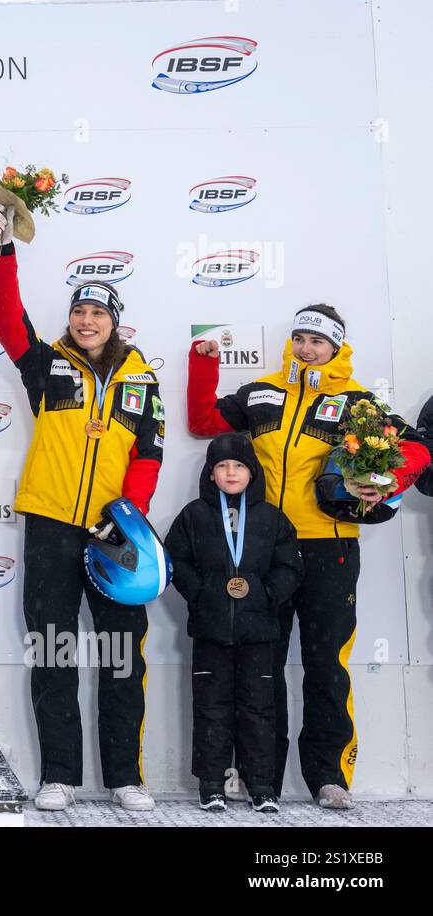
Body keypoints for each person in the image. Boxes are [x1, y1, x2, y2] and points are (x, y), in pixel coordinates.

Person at [188, 305, 429, 808]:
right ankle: (261, 779)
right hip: (263, 549)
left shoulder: (358, 403)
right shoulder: (261, 392)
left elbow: (417, 452)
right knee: (260, 666)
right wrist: (203, 365)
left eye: (318, 341)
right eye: (299, 338)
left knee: (326, 665)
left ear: (336, 348)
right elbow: (203, 421)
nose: (306, 348)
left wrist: (380, 483)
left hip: (331, 548)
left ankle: (328, 777)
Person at [0, 206, 165, 811]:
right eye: (79, 311)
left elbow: (148, 454)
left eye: (98, 313)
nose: (87, 321)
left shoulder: (142, 378)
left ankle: (126, 777)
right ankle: (57, 774)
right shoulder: (45, 363)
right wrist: (1, 248)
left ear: (115, 323)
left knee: (121, 653)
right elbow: (7, 317)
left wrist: (129, 514)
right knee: (55, 647)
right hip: (52, 524)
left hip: (116, 533)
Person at [164, 432, 303, 813]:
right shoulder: (193, 515)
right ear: (210, 473)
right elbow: (176, 561)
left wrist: (266, 594)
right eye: (221, 466)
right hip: (211, 631)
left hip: (259, 632)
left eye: (238, 466)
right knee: (211, 706)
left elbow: (290, 566)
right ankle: (211, 785)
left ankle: (262, 786)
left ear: (252, 473)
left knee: (260, 709)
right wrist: (202, 593)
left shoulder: (272, 517)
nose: (230, 472)